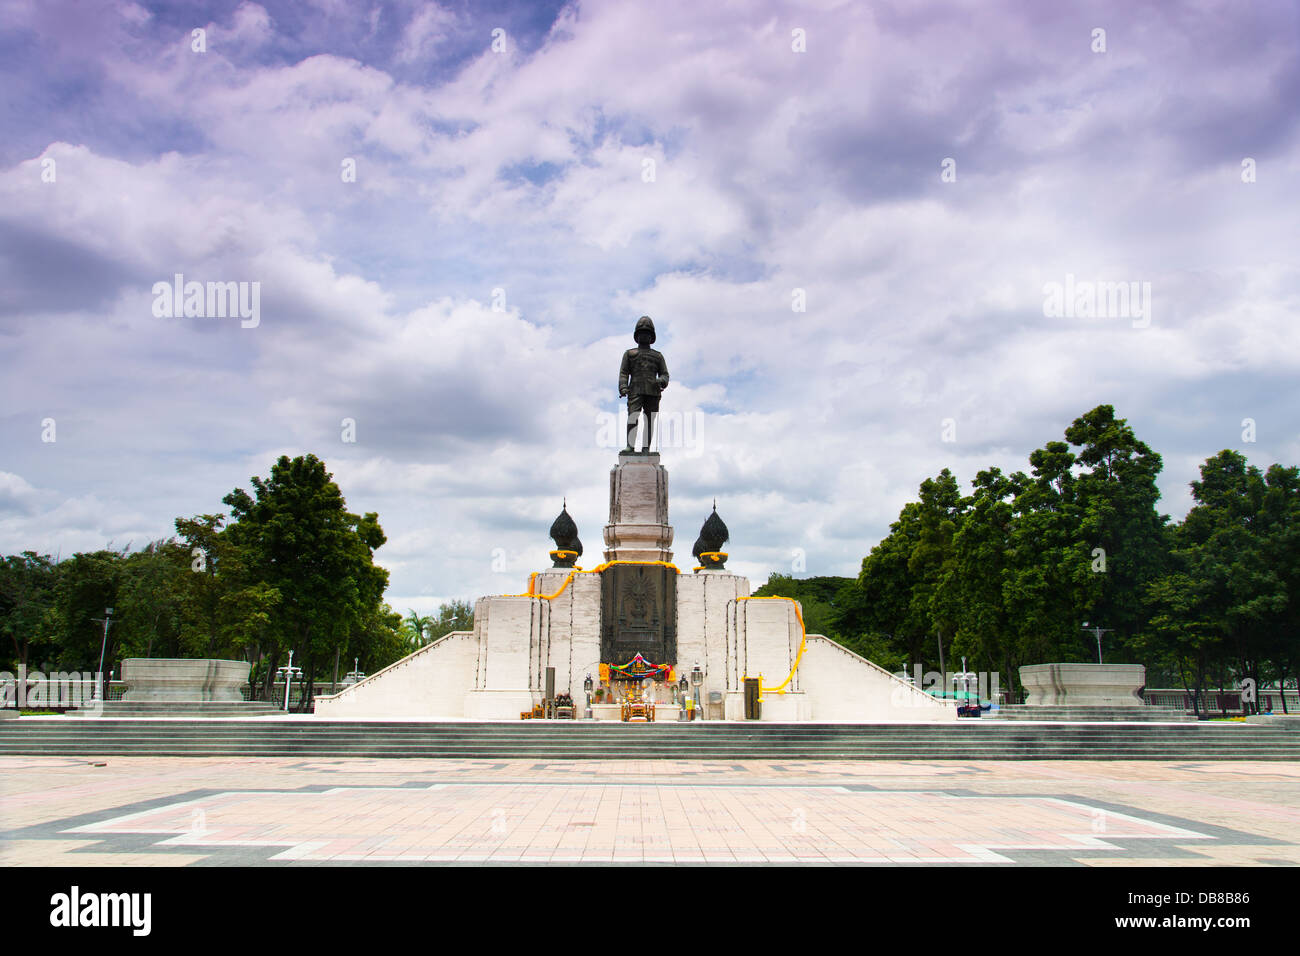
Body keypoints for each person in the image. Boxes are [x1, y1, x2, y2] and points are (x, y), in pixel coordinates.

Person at [618, 315, 669, 452]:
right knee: (632, 417)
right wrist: (623, 387)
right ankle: (630, 446)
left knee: (649, 420)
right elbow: (624, 373)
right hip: (635, 390)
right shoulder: (629, 354)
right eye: (641, 333)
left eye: (647, 334)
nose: (644, 336)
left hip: (653, 391)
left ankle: (646, 447)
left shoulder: (657, 356)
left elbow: (665, 374)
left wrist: (662, 381)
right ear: (637, 335)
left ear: (651, 337)